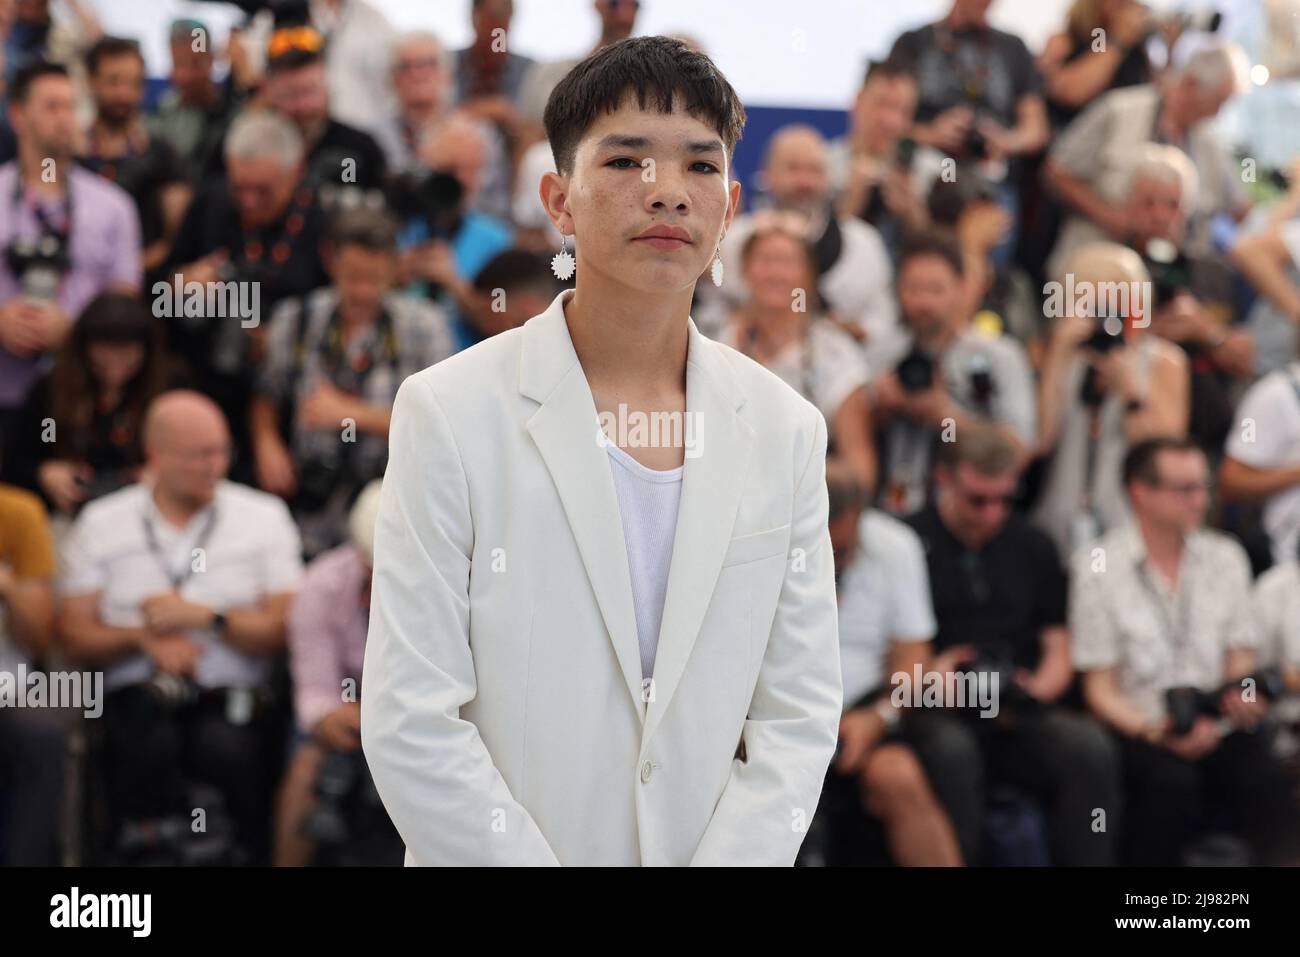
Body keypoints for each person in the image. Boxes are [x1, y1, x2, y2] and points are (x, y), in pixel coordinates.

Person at [361, 36, 842, 866]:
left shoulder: (785, 428)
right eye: (624, 162)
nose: (666, 193)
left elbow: (797, 720)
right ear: (558, 199)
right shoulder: (449, 410)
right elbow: (412, 719)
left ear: (730, 203)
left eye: (698, 167)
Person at [58, 390, 303, 864]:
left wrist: (210, 619)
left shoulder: (263, 517)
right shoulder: (104, 522)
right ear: (155, 456)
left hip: (233, 702)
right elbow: (70, 633)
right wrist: (141, 640)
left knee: (227, 748)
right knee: (145, 740)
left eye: (222, 452)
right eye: (199, 456)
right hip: (133, 705)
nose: (215, 466)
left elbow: (285, 627)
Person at [1071, 437, 1300, 865]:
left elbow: (1240, 660)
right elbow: (1099, 690)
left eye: (1203, 486)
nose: (1201, 499)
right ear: (1140, 492)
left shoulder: (1225, 555)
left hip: (1219, 722)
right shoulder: (1097, 565)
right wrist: (1154, 731)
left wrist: (1239, 699)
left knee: (1264, 776)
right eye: (1186, 489)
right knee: (1169, 786)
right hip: (1141, 727)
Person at [907, 423, 1120, 866]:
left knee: (1087, 748)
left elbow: (1058, 647)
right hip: (936, 704)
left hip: (1019, 705)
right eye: (978, 500)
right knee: (952, 753)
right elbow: (899, 653)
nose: (992, 513)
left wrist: (1033, 690)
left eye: (1005, 499)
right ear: (943, 480)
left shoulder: (1033, 546)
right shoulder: (909, 543)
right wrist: (935, 676)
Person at [249, 208, 456, 558]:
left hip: (391, 501)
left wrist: (349, 413)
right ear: (331, 262)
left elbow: (445, 424)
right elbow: (267, 392)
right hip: (310, 503)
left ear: (394, 268)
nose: (363, 291)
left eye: (374, 278)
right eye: (352, 277)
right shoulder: (296, 318)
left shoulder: (424, 326)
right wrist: (266, 442)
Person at [820, 457, 974, 866]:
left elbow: (914, 661)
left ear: (858, 516)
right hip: (778, 716)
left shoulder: (894, 545)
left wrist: (879, 718)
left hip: (864, 709)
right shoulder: (759, 543)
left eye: (840, 547)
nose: (834, 558)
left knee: (900, 775)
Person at [167, 109, 329, 478]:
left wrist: (283, 339)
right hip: (206, 375)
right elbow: (157, 285)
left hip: (287, 395)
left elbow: (339, 313)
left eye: (264, 190)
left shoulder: (321, 219)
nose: (249, 201)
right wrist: (183, 282)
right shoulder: (212, 201)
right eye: (240, 187)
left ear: (296, 172)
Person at [0, 60, 140, 425]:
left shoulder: (113, 206)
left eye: (71, 106)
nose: (65, 118)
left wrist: (76, 332)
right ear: (18, 116)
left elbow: (125, 303)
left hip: (77, 403)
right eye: (51, 106)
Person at [1033, 242, 1188, 557]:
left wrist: (1131, 391)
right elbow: (1040, 441)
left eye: (1116, 298)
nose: (1103, 315)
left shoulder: (1164, 361)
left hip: (1129, 528)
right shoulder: (1054, 355)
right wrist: (1058, 357)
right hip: (1058, 519)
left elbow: (1165, 454)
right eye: (1089, 300)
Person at [1045, 41, 1251, 274]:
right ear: (1191, 83)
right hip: (1094, 263)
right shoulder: (1119, 110)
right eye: (1218, 101)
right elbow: (1056, 171)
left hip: (1166, 276)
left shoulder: (1211, 145)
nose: (1218, 113)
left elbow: (1239, 208)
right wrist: (1109, 216)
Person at [274, 480, 398, 866]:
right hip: (347, 722)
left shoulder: (456, 590)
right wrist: (332, 717)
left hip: (422, 720)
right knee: (308, 766)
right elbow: (314, 692)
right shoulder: (321, 585)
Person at [867, 233, 1036, 517]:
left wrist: (945, 415)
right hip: (891, 507)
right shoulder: (881, 354)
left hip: (967, 516)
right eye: (914, 289)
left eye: (936, 290)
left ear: (961, 289)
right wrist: (879, 410)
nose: (924, 303)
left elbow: (1019, 452)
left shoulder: (998, 357)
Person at [718, 217, 876, 492]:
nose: (776, 273)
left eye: (788, 262)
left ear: (809, 277)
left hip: (809, 499)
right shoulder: (719, 343)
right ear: (745, 271)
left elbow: (860, 470)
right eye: (766, 260)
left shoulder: (837, 354)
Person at [887, 0, 1050, 265]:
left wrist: (1004, 141)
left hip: (989, 179)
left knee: (989, 257)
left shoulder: (1013, 48)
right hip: (926, 174)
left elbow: (1036, 130)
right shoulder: (914, 42)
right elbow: (885, 118)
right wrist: (932, 133)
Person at [702, 125, 896, 345]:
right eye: (793, 169)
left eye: (815, 171)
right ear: (767, 174)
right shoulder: (732, 241)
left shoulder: (863, 243)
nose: (806, 182)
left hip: (835, 371)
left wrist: (851, 333)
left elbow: (882, 321)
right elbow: (709, 315)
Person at [0, 292, 171, 516]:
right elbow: (20, 458)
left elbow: (193, 454)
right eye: (105, 349)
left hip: (147, 515)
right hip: (66, 516)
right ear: (85, 347)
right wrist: (45, 471)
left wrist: (161, 473)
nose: (115, 361)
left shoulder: (165, 393)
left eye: (126, 351)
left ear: (146, 351)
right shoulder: (53, 393)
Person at [80, 36, 192, 283]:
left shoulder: (163, 156)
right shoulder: (71, 156)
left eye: (134, 84)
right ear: (91, 81)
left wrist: (128, 270)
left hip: (145, 288)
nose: (124, 94)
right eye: (114, 81)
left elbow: (176, 237)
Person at [0, 480, 60, 865]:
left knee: (42, 733)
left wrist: (7, 586)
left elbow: (41, 638)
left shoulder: (16, 512)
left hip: (8, 692)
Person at [830, 57, 933, 261]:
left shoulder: (933, 171)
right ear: (858, 101)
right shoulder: (821, 166)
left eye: (902, 110)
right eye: (881, 104)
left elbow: (946, 263)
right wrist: (849, 204)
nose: (890, 120)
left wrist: (913, 214)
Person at [146, 19, 248, 171]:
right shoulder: (159, 113)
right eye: (179, 64)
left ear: (212, 60)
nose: (186, 75)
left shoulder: (233, 108)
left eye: (196, 64)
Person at [1039, 0, 1156, 131]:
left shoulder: (1134, 49)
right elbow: (1072, 93)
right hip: (1074, 139)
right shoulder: (1064, 40)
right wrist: (1119, 40)